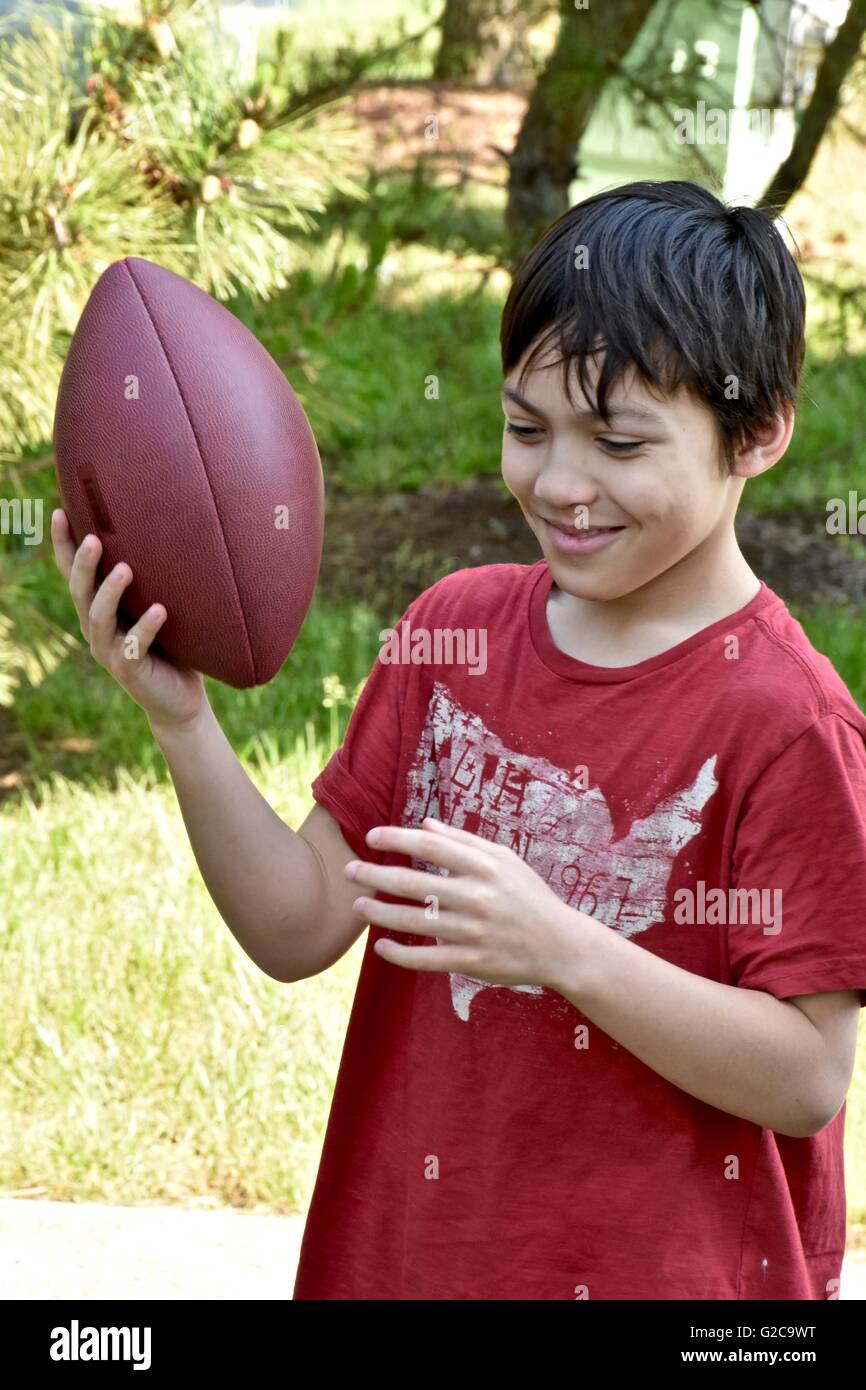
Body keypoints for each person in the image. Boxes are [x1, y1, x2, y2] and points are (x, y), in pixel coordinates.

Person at [53, 180, 866, 1300]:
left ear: (758, 432)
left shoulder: (788, 721)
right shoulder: (455, 633)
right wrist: (179, 716)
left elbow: (807, 1075)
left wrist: (559, 945)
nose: (561, 484)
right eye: (526, 429)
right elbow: (297, 924)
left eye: (618, 442)